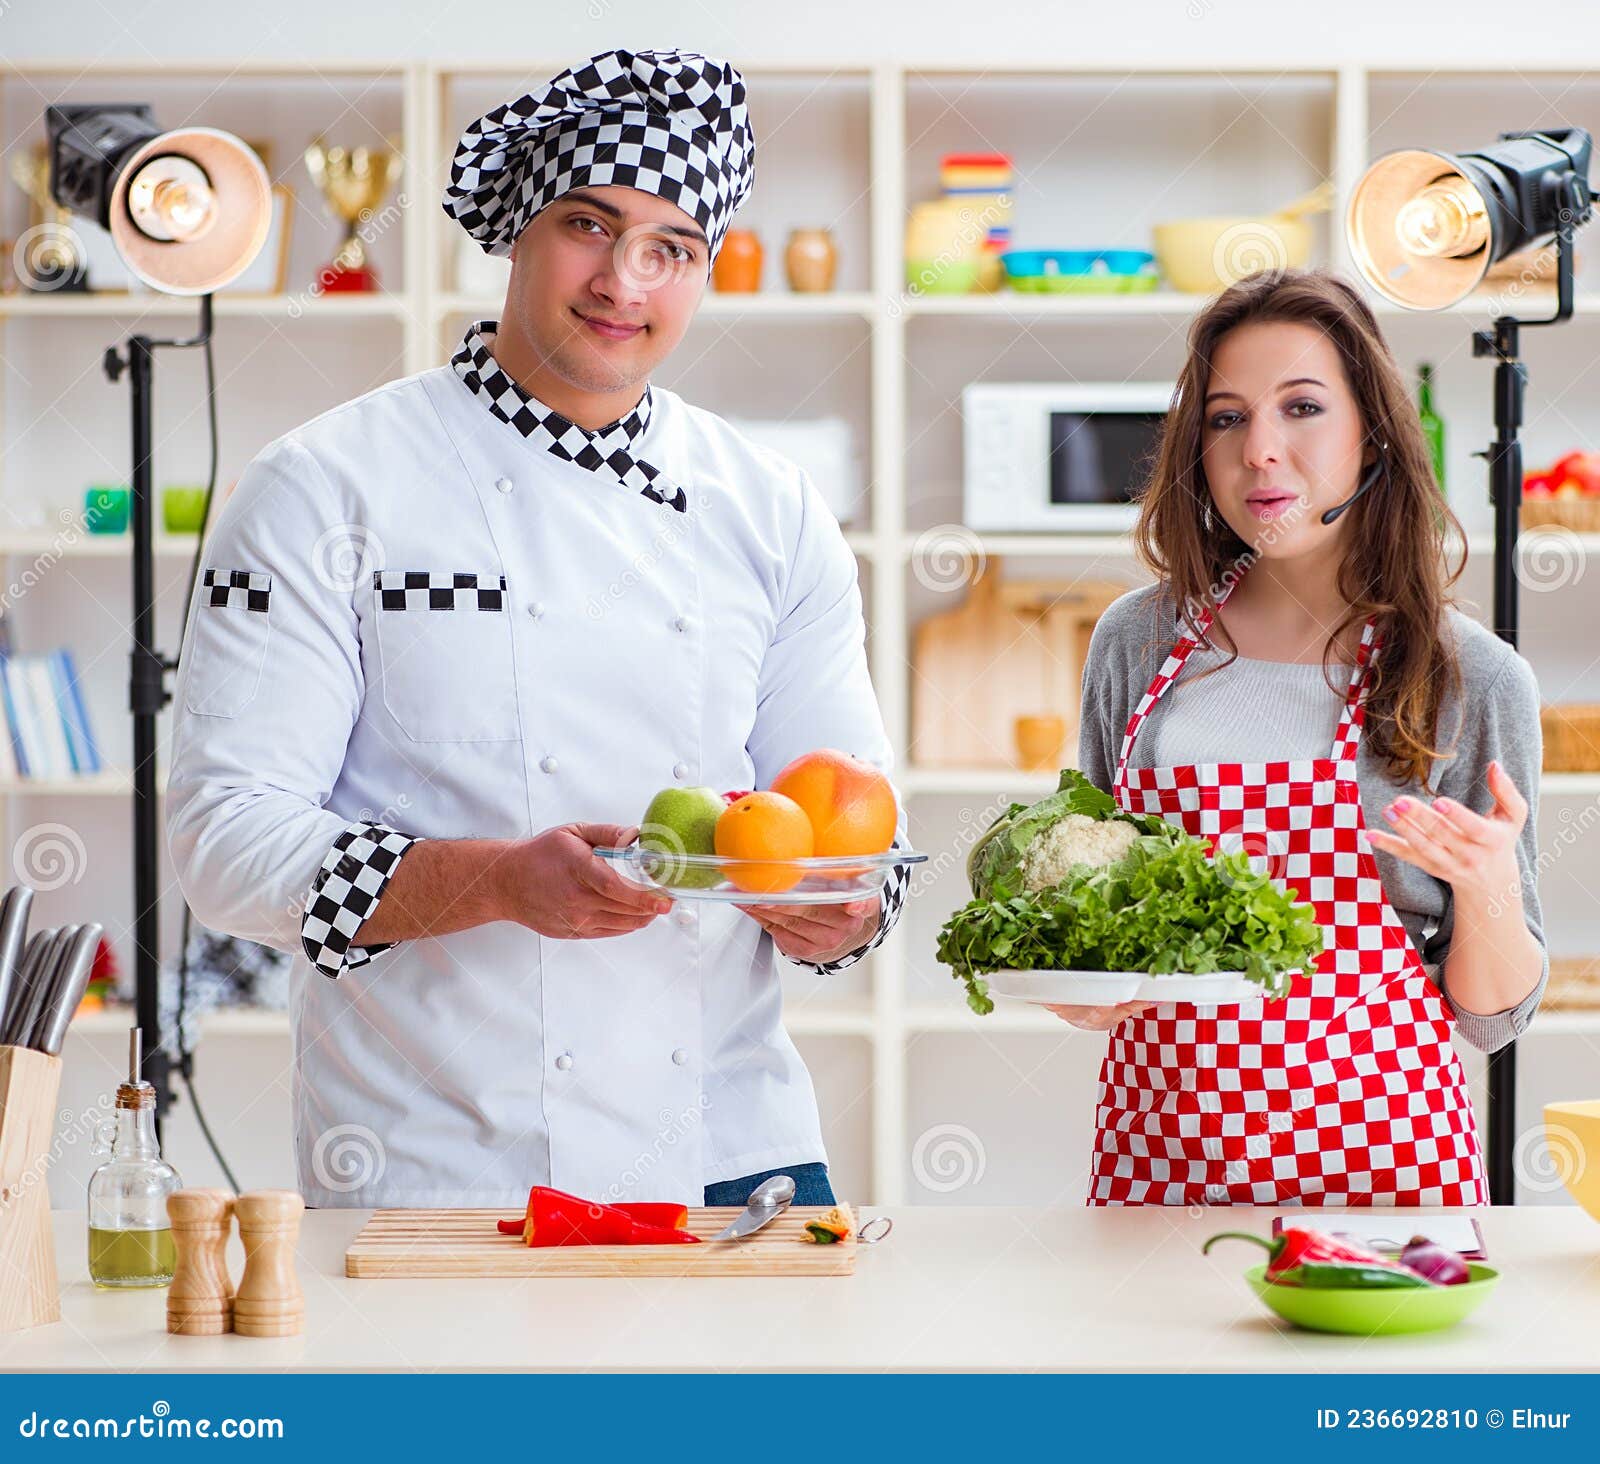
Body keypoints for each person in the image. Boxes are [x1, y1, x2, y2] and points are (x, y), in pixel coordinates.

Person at [166, 49, 906, 1209]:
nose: (623, 279)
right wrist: (498, 883)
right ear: (518, 229)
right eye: (589, 225)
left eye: (672, 248)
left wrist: (841, 916)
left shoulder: (771, 508)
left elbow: (848, 822)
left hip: (733, 1158)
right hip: (444, 1167)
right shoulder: (321, 487)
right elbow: (224, 843)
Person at [1067, 268, 1546, 1207]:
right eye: (1227, 418)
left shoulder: (1470, 676)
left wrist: (1487, 884)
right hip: (1162, 1170)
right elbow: (1089, 914)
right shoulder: (1136, 641)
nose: (1260, 451)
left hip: (1386, 1185)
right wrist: (1079, 982)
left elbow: (1493, 1020)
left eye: (1302, 408)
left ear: (1373, 432)